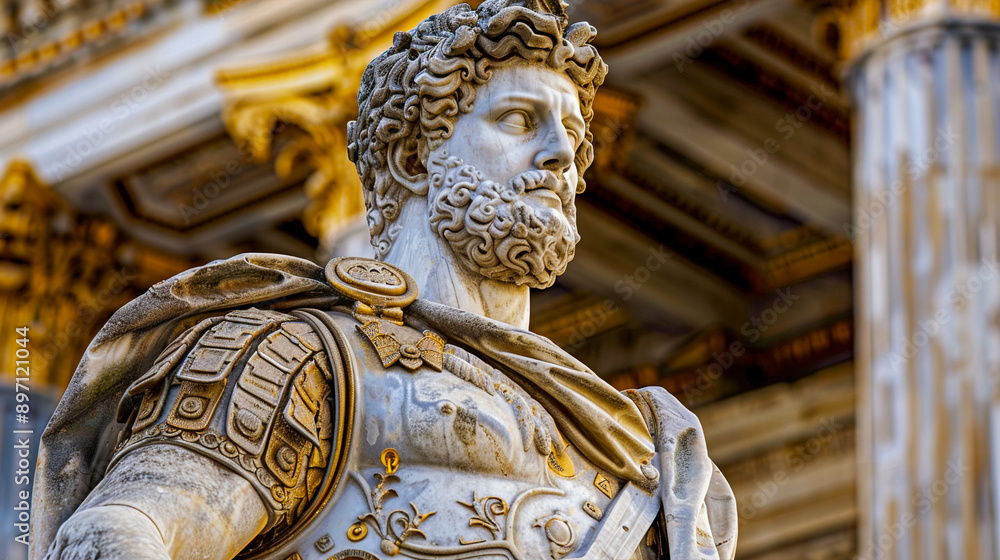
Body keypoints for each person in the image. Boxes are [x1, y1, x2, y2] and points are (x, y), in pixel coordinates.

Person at [31, 1, 738, 559]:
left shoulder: (646, 453)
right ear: (409, 157)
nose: (561, 155)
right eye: (519, 119)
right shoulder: (288, 358)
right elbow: (113, 540)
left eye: (573, 134)